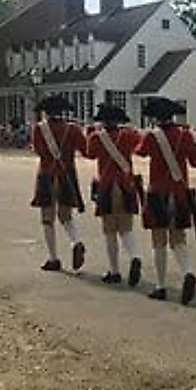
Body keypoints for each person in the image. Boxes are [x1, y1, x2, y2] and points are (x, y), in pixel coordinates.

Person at [136, 96, 196, 305]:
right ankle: (188, 272)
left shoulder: (152, 136)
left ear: (155, 118)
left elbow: (140, 152)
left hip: (158, 193)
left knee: (159, 241)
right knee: (178, 239)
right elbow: (195, 161)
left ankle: (160, 286)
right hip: (180, 192)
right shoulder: (185, 134)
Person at [85, 102, 144, 287]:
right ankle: (135, 255)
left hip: (107, 185)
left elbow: (90, 155)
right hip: (126, 184)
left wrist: (91, 133)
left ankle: (114, 271)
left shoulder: (96, 137)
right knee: (126, 228)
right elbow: (140, 146)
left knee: (109, 231)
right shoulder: (128, 135)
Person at [30, 94, 87, 273]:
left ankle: (53, 258)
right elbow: (85, 150)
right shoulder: (73, 129)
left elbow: (38, 151)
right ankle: (75, 241)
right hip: (67, 174)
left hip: (46, 173)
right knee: (66, 215)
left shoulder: (39, 129)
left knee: (47, 219)